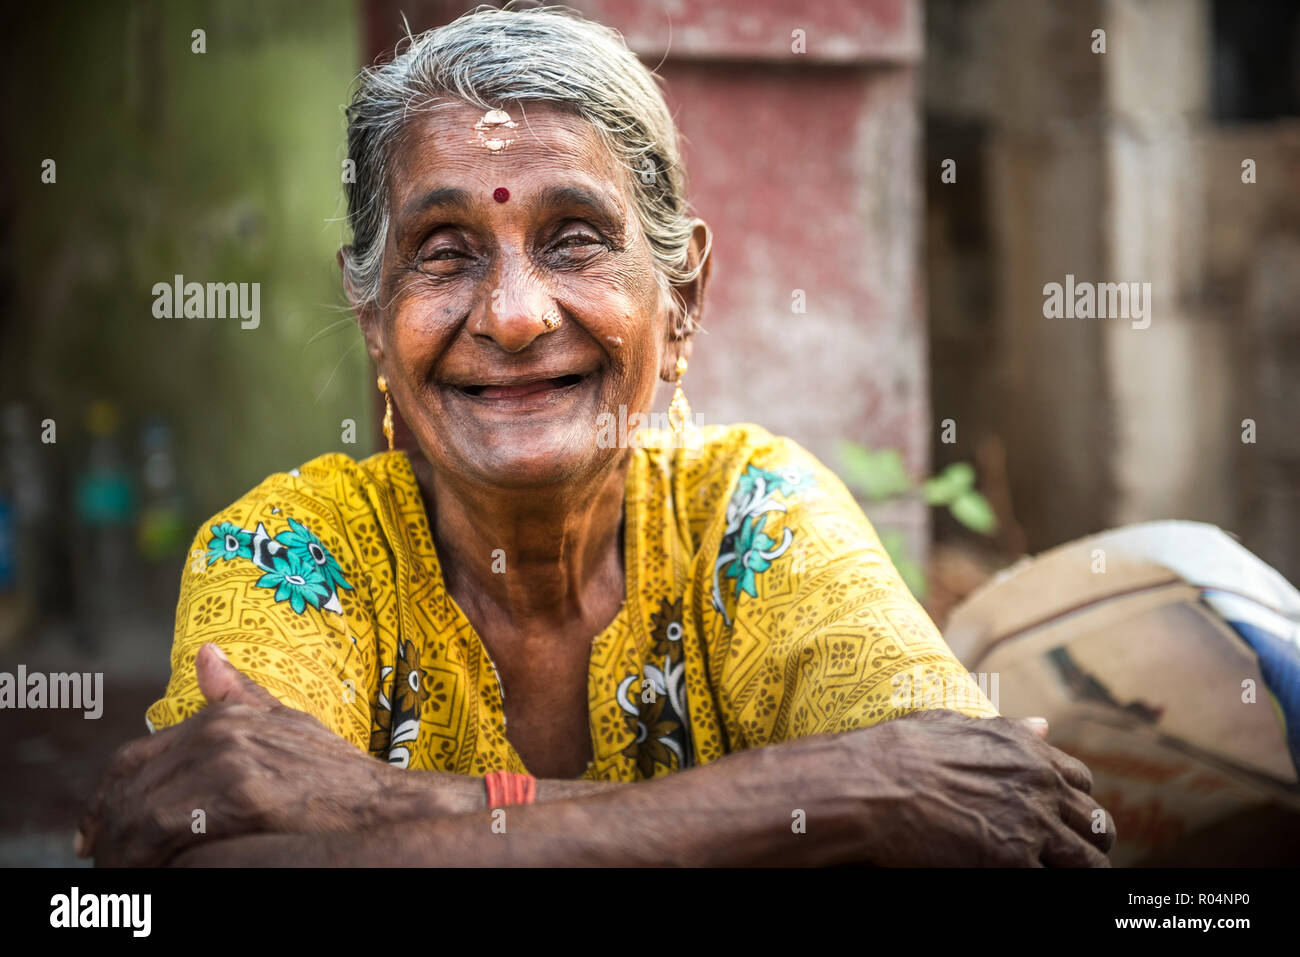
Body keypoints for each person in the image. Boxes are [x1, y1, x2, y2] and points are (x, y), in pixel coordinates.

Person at [78, 5, 1112, 866]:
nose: (517, 314)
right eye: (444, 253)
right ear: (373, 326)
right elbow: (225, 862)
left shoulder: (750, 514)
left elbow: (958, 824)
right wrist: (838, 789)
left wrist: (363, 812)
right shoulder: (288, 552)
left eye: (575, 240)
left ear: (685, 298)